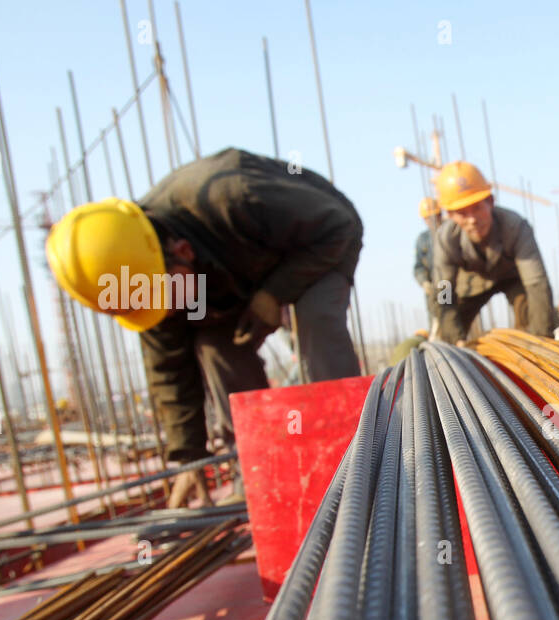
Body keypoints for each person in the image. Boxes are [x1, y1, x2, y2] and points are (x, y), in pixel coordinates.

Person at [45, 147, 364, 507]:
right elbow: (170, 373)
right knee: (217, 347)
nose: (170, 313)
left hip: (315, 240)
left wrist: (275, 293)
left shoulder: (235, 197)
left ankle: (355, 453)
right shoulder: (142, 279)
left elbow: (338, 225)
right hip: (230, 275)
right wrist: (187, 457)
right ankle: (264, 471)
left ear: (182, 250)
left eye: (171, 298)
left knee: (316, 319)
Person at [429, 161, 557, 343]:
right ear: (450, 215)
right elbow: (444, 291)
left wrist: (542, 340)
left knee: (531, 314)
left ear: (490, 201)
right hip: (471, 284)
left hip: (512, 277)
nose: (472, 219)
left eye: (477, 208)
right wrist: (455, 341)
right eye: (462, 213)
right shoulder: (446, 239)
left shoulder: (515, 227)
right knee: (449, 332)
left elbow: (537, 284)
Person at [413, 197, 442, 325]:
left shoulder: (450, 232)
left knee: (448, 317)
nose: (431, 221)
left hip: (446, 284)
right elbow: (418, 266)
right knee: (436, 319)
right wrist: (424, 282)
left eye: (434, 217)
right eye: (428, 218)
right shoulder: (423, 239)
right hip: (433, 288)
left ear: (439, 215)